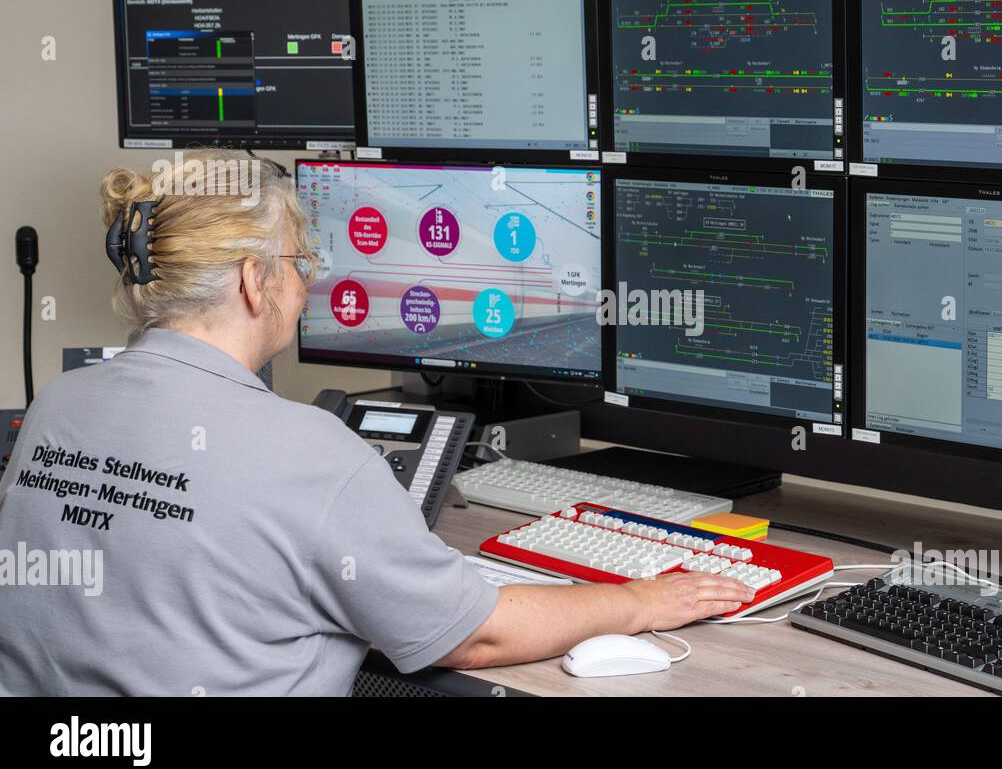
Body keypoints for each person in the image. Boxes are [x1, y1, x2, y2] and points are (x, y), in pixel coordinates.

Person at [0, 151, 751, 696]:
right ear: (254, 281)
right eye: (301, 259)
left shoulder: (61, 405)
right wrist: (643, 599)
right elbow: (475, 634)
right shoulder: (304, 450)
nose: (312, 279)